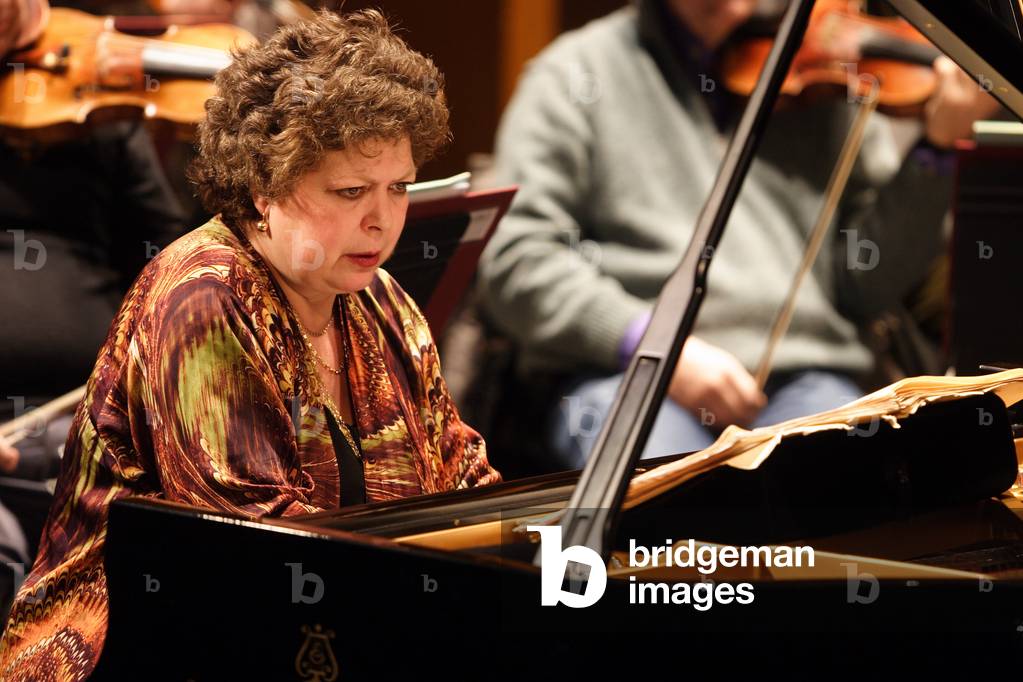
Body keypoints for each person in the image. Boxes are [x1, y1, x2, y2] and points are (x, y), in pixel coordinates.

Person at [0, 9, 500, 679]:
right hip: (140, 652)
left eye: (398, 187)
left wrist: (530, 549)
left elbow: (458, 477)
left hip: (323, 634)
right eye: (349, 191)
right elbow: (261, 552)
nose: (381, 220)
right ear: (264, 187)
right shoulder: (204, 295)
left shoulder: (380, 301)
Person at [478, 0, 1000, 471]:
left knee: (851, 498)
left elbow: (864, 287)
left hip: (806, 378)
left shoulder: (822, 68)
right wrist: (656, 346)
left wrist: (936, 150)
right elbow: (516, 258)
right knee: (684, 510)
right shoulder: (573, 73)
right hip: (625, 380)